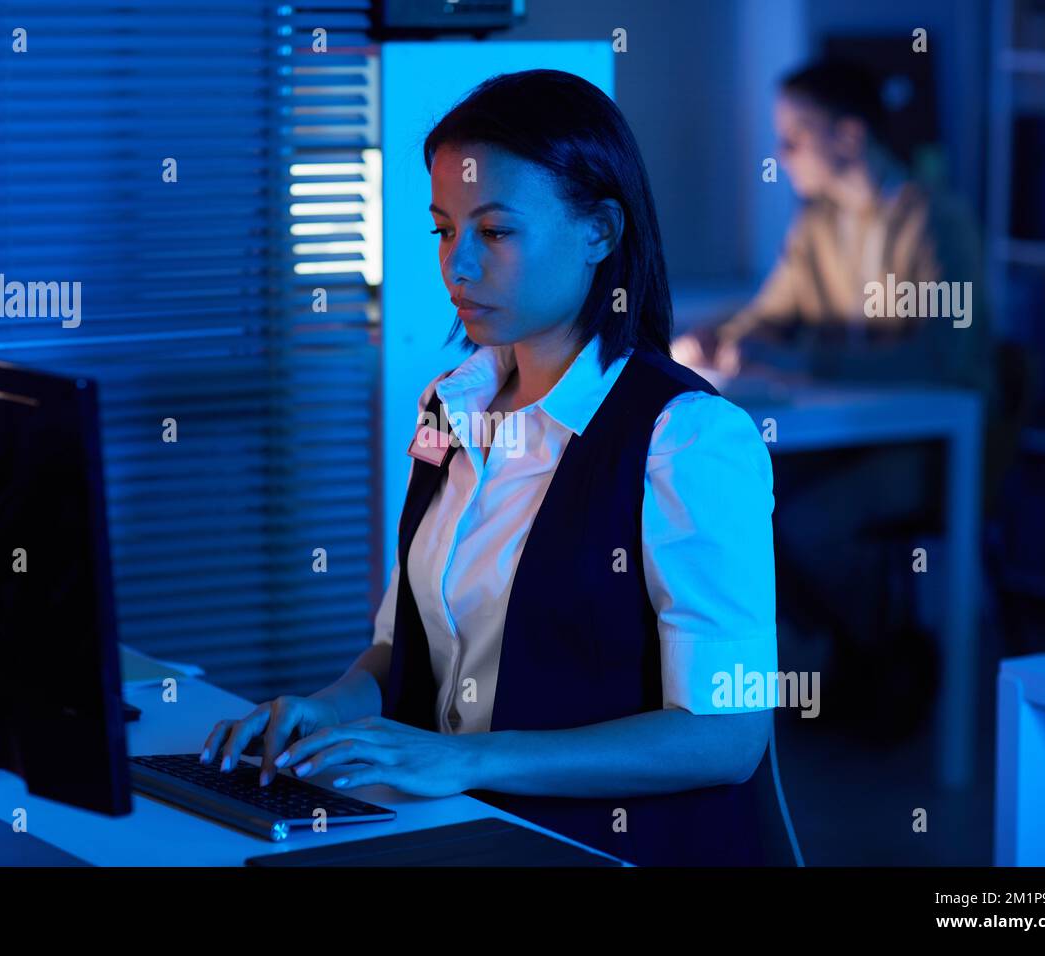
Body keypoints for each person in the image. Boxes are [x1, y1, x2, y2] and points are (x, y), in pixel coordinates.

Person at [200, 69, 784, 866]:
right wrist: (324, 710)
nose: (458, 268)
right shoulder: (453, 404)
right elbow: (404, 644)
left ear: (600, 232)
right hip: (458, 829)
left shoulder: (688, 439)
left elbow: (725, 736)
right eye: (443, 230)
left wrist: (465, 760)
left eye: (496, 232)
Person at [673, 58, 992, 740]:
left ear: (848, 137)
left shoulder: (935, 221)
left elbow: (941, 357)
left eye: (793, 138)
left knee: (807, 520)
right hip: (844, 440)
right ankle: (844, 659)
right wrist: (725, 335)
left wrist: (803, 355)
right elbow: (774, 311)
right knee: (737, 499)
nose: (781, 156)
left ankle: (867, 660)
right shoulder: (817, 225)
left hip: (920, 448)